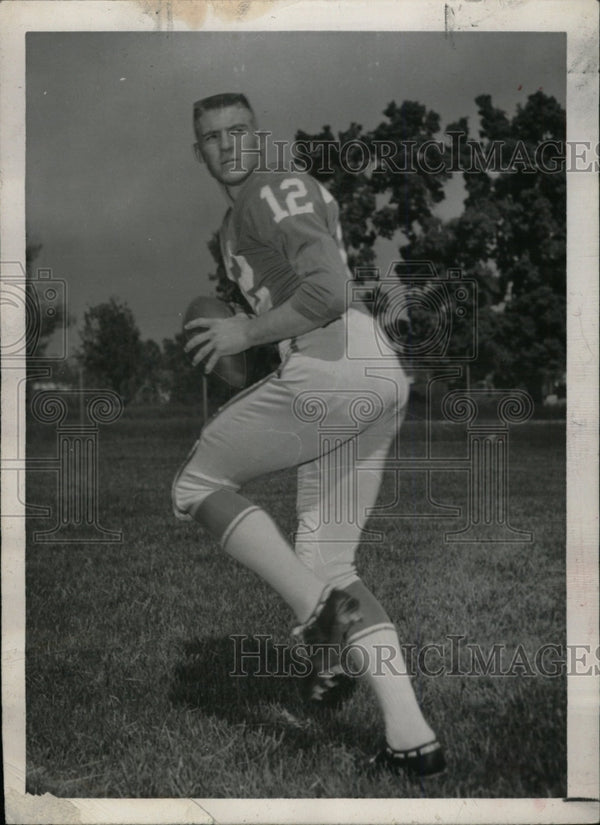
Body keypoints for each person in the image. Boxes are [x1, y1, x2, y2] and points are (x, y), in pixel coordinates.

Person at [172, 92, 445, 778]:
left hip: (335, 359)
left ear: (257, 137)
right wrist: (252, 338)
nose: (227, 144)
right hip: (370, 371)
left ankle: (316, 615)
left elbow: (326, 291)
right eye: (212, 137)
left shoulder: (267, 187)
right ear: (198, 151)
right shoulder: (244, 216)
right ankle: (412, 737)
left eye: (238, 131)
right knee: (329, 558)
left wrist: (239, 331)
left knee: (196, 483)